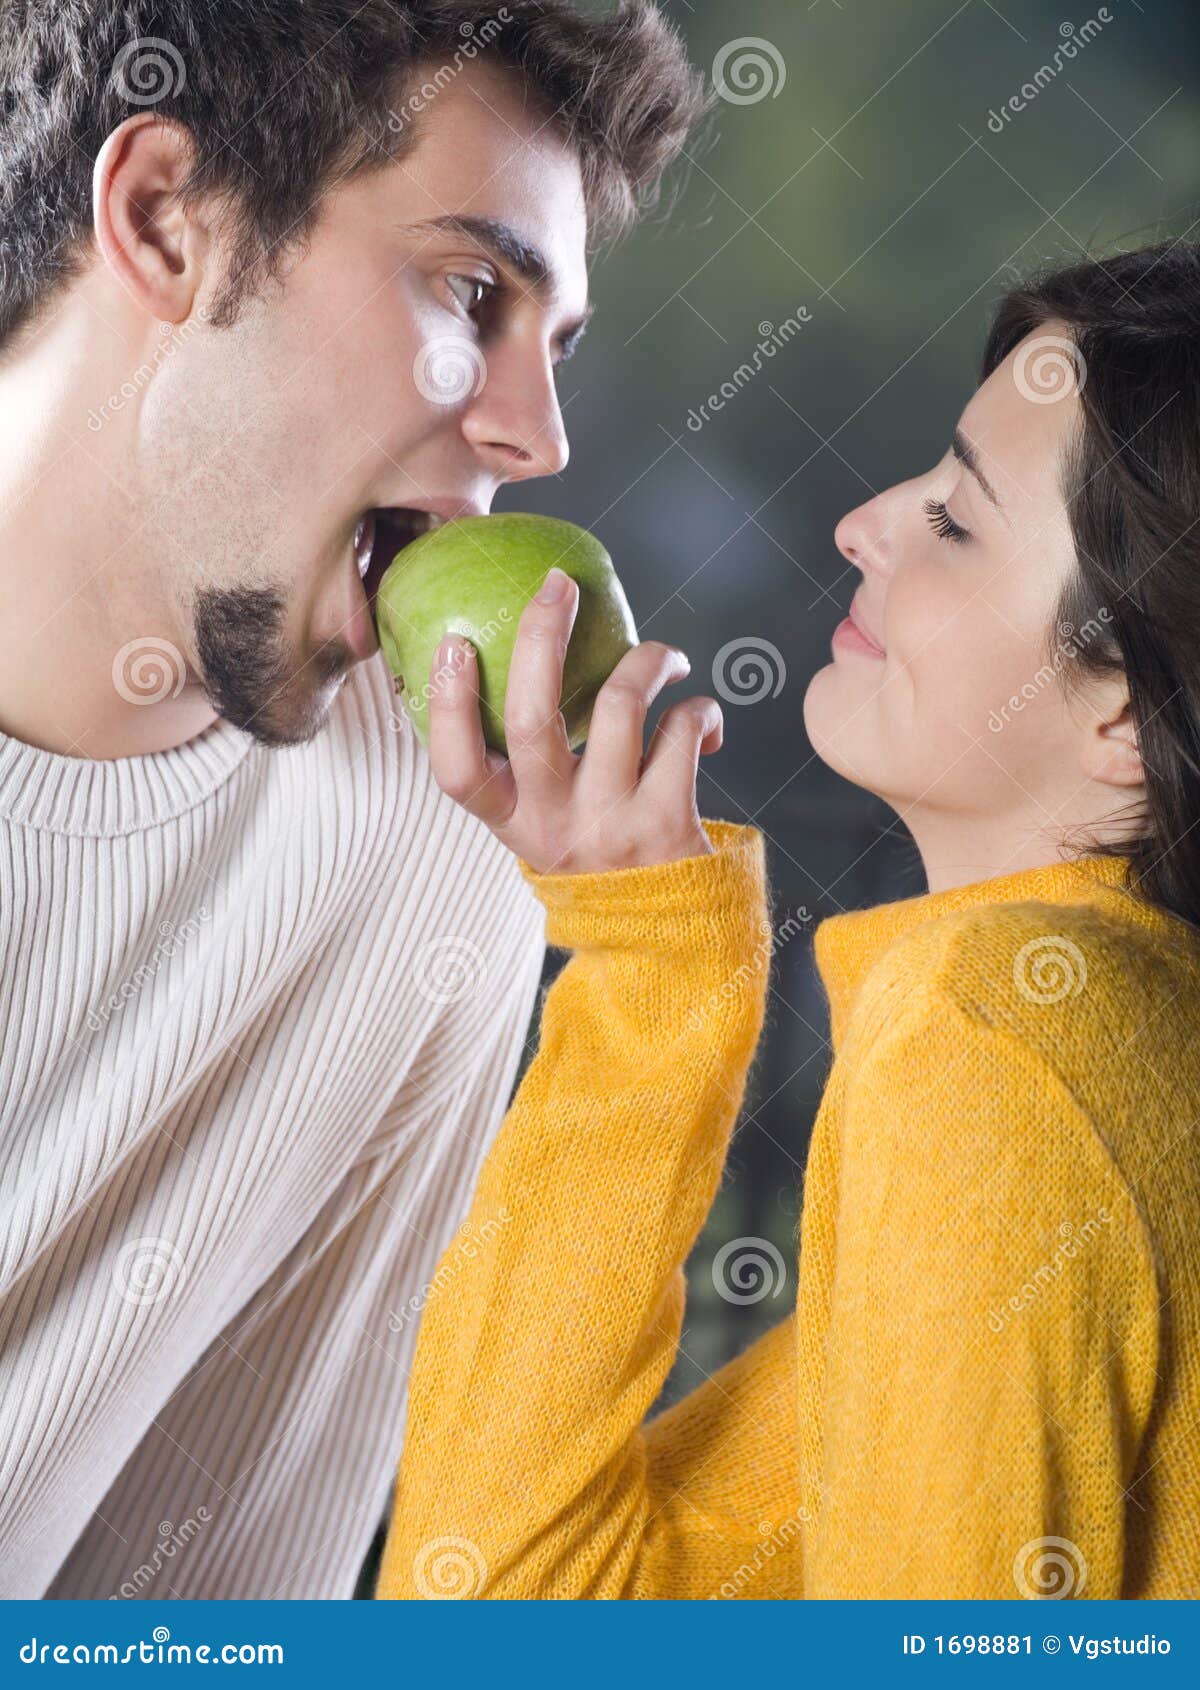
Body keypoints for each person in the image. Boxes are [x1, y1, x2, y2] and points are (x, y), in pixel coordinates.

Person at [0, 1, 707, 1599]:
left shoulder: (429, 855)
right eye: (474, 290)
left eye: (557, 339)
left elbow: (213, 1607)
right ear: (165, 221)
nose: (536, 433)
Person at [377, 239, 1200, 1600]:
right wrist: (656, 945)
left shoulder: (990, 1048)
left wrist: (659, 965)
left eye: (955, 519)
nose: (865, 522)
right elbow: (522, 1607)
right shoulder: (1110, 1032)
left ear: (1120, 712)